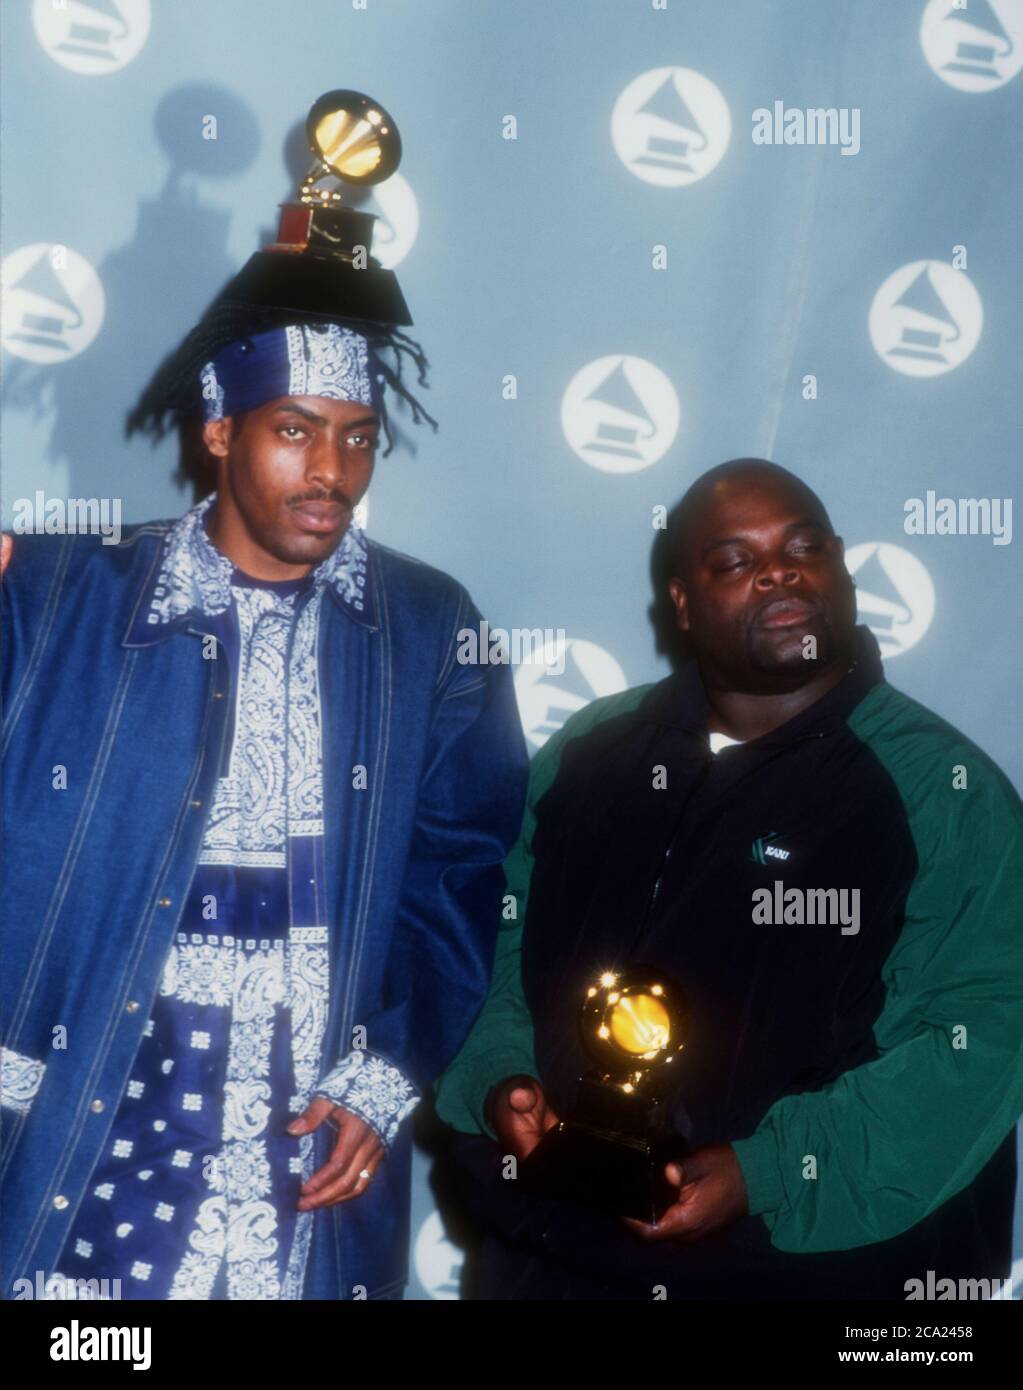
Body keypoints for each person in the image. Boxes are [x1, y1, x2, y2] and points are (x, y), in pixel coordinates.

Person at [1, 272, 527, 1299]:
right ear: (218, 428)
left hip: (304, 1140)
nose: (332, 469)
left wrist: (381, 1076)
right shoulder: (60, 595)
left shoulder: (426, 629)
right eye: (295, 429)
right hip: (85, 1109)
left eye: (360, 436)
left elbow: (462, 875)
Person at [435, 458, 1023, 1300]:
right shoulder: (592, 748)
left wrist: (771, 1170)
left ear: (841, 565)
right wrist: (500, 1073)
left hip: (813, 1276)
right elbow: (496, 932)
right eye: (735, 561)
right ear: (681, 601)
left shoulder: (943, 793)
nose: (778, 571)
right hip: (560, 1257)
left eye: (801, 547)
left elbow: (980, 1038)